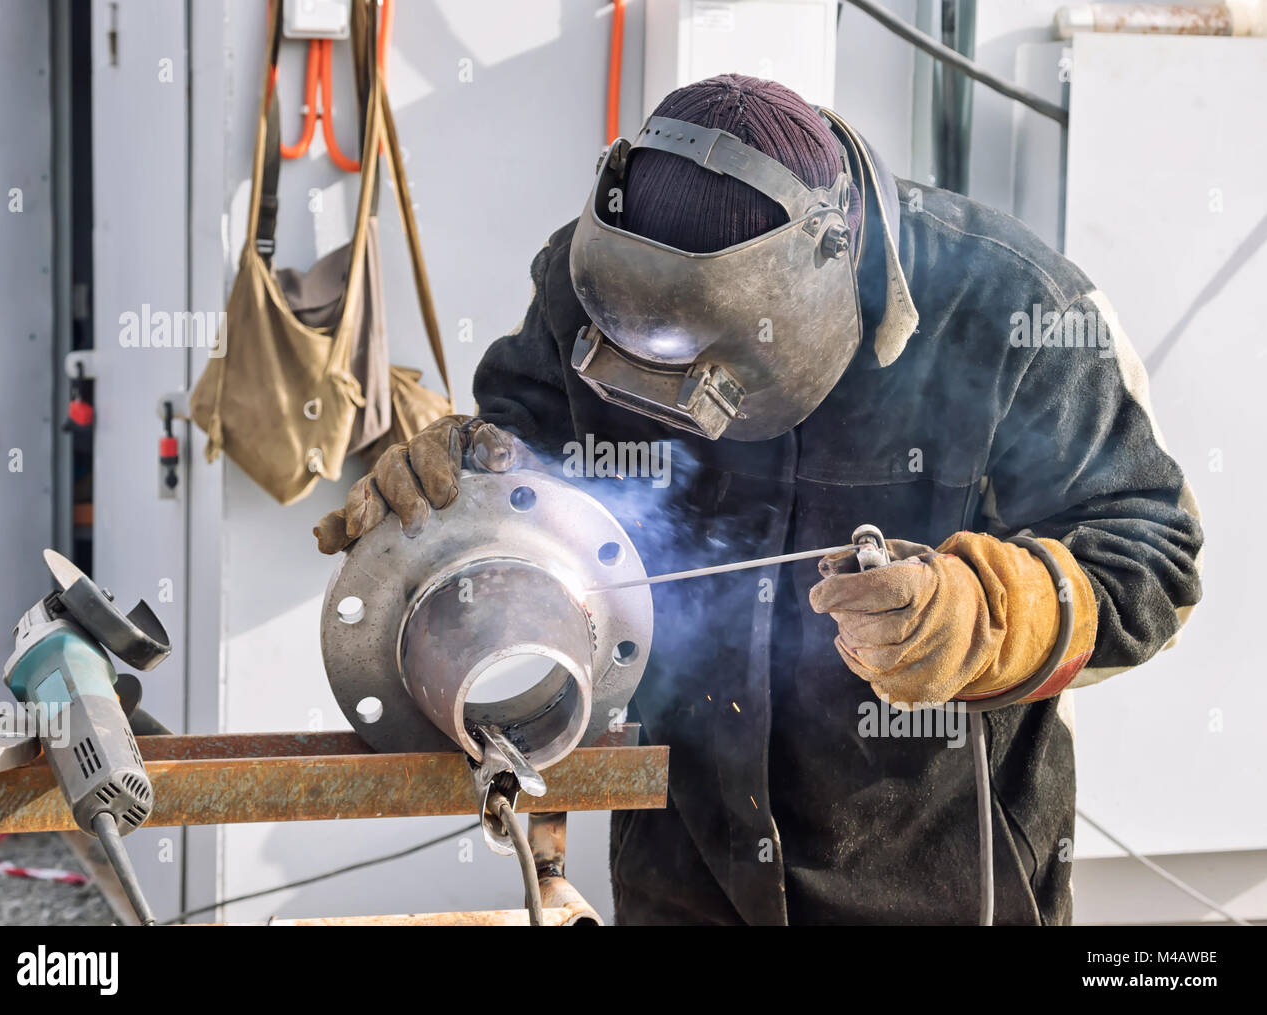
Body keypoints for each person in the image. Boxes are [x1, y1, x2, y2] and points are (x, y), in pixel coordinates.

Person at [314, 74, 1203, 925]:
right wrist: (466, 483)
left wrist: (987, 615)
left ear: (826, 274)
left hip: (936, 874)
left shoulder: (1012, 307)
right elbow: (529, 469)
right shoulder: (599, 284)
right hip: (687, 862)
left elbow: (1150, 557)